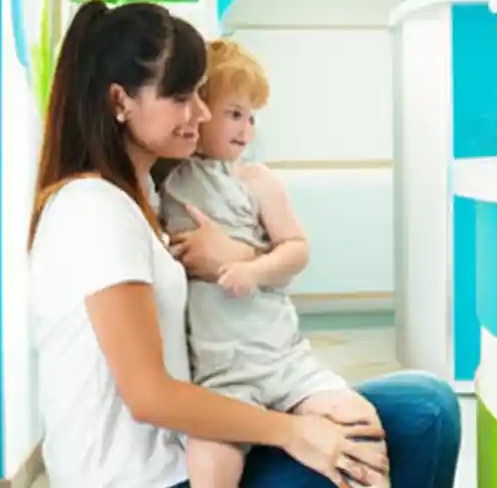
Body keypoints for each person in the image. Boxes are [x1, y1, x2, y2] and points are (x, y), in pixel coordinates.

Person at [28, 0, 461, 488]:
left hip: (192, 436)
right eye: (182, 97)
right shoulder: (94, 208)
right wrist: (293, 433)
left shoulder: (149, 196)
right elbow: (147, 394)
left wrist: (242, 261)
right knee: (404, 431)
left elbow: (251, 264)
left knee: (428, 404)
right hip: (148, 477)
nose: (202, 112)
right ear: (119, 101)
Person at [157, 39, 388, 488]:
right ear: (198, 108)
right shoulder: (166, 179)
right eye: (234, 113)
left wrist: (252, 270)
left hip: (284, 361)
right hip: (219, 376)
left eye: (252, 116)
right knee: (209, 463)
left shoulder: (256, 180)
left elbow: (296, 249)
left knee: (359, 422)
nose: (247, 129)